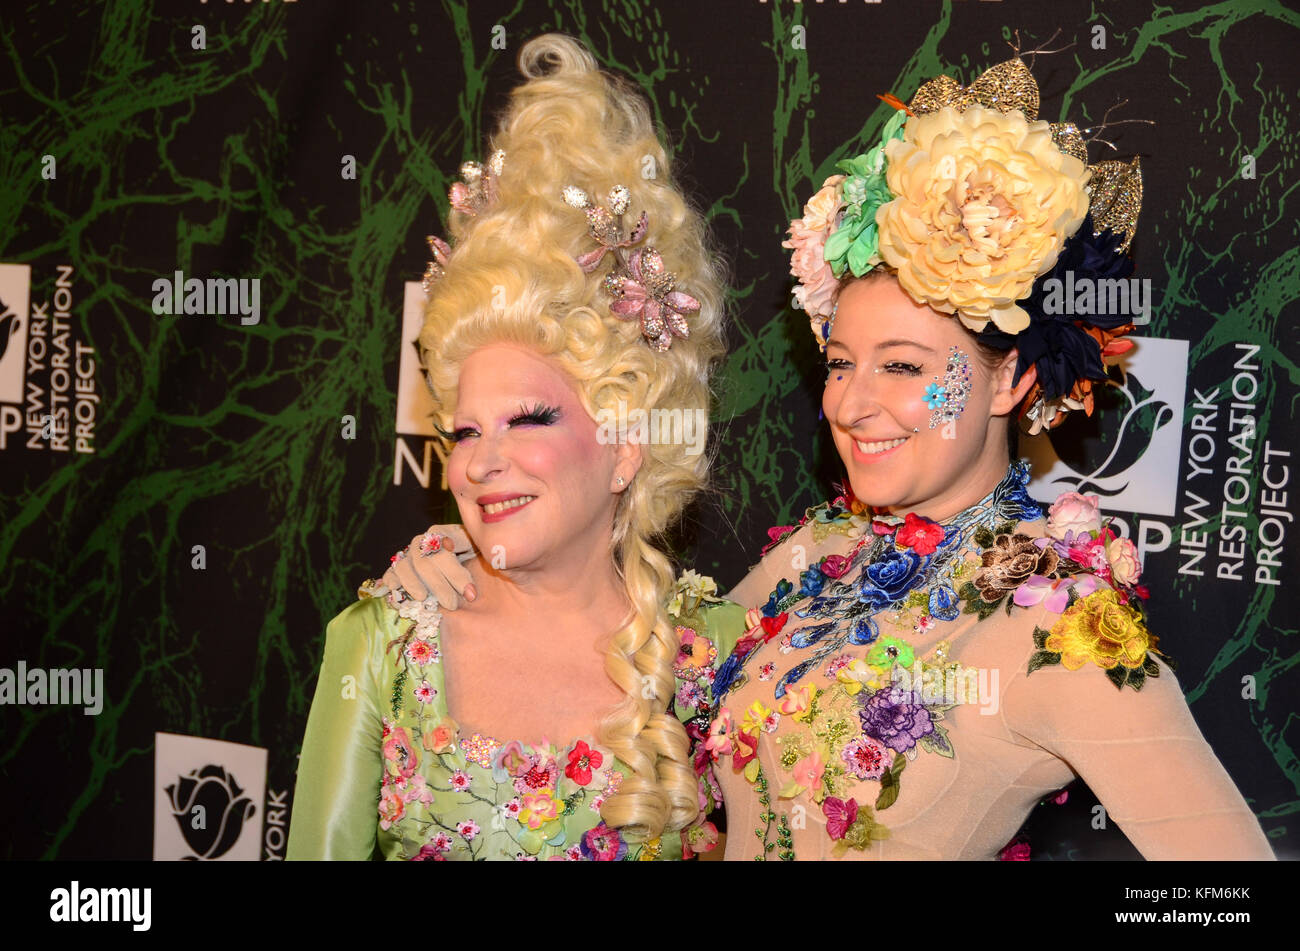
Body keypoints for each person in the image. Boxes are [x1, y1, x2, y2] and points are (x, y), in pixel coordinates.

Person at [394, 51, 1276, 860]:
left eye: (904, 367)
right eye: (842, 363)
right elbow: (621, 650)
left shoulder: (1058, 625)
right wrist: (484, 559)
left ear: (1009, 378)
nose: (852, 405)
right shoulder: (820, 554)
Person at [286, 33, 746, 861]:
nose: (479, 461)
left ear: (625, 444)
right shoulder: (382, 644)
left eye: (528, 420)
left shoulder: (725, 654)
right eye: (465, 430)